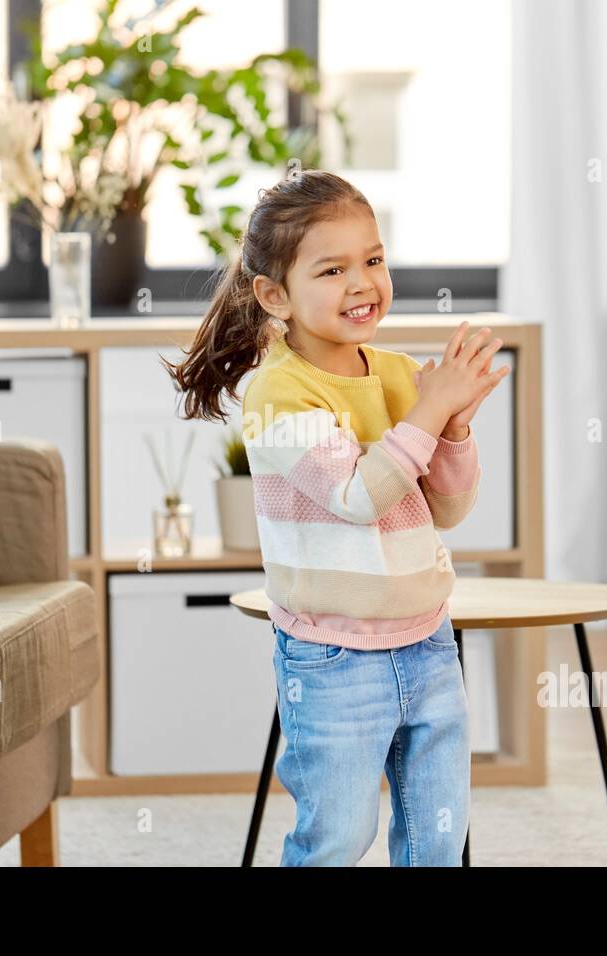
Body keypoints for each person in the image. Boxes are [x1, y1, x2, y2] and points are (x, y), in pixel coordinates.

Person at [164, 168, 509, 865]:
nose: (362, 282)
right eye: (332, 269)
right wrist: (428, 413)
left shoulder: (395, 374)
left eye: (373, 260)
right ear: (273, 295)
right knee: (338, 836)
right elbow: (357, 497)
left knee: (439, 837)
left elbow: (447, 508)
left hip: (428, 642)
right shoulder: (279, 394)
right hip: (333, 657)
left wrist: (455, 428)